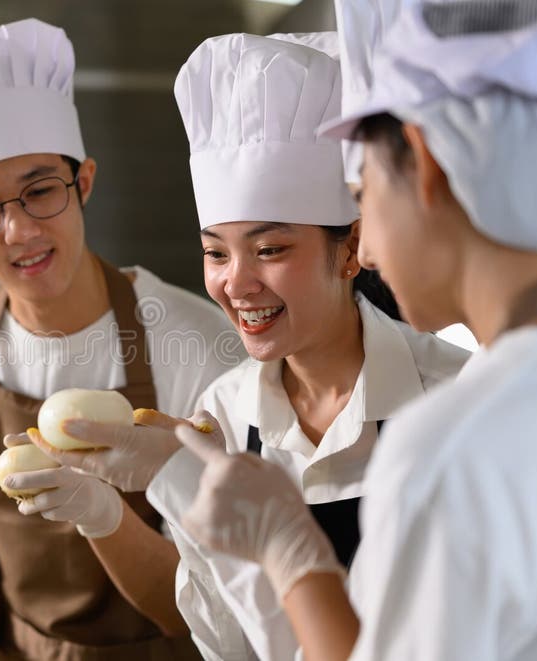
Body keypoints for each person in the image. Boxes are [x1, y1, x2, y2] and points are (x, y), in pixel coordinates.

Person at [26, 32, 468, 660]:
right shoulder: (225, 413)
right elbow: (226, 644)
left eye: (270, 249)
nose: (235, 283)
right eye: (214, 252)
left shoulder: (454, 398)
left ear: (349, 249)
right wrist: (138, 500)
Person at [172, 2, 537, 660]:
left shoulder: (453, 446)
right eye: (217, 251)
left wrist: (286, 545)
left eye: (362, 194)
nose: (372, 251)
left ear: (425, 161)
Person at [0, 18, 238, 660]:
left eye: (40, 190)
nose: (18, 230)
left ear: (85, 182)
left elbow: (213, 605)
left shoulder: (200, 344)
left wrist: (105, 517)